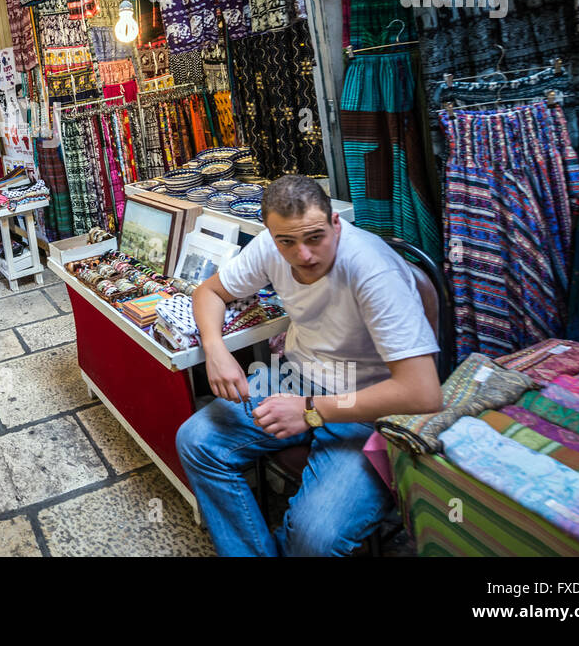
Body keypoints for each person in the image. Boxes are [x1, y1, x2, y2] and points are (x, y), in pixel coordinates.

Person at [175, 174, 442, 556]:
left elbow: (422, 392)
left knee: (314, 539)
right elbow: (210, 291)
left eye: (315, 237)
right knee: (196, 441)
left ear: (336, 224)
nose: (303, 255)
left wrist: (312, 412)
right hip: (298, 381)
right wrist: (216, 350)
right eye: (287, 242)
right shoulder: (271, 245)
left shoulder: (372, 270)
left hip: (370, 408)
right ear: (270, 233)